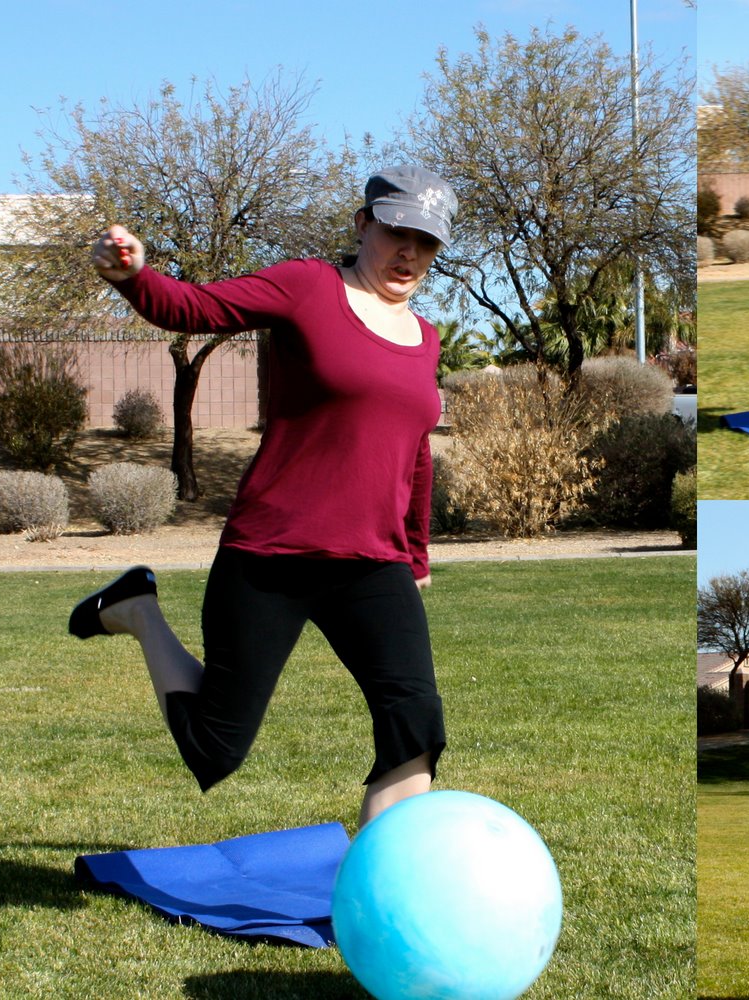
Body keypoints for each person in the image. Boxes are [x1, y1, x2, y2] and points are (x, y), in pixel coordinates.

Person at [68, 165, 458, 827]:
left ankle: (379, 896)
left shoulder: (425, 340)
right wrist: (131, 277)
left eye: (425, 241)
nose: (409, 252)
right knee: (215, 748)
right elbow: (193, 307)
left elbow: (412, 453)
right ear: (363, 225)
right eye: (397, 232)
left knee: (414, 722)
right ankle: (137, 609)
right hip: (272, 553)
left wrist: (415, 558)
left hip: (373, 564)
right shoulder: (309, 287)